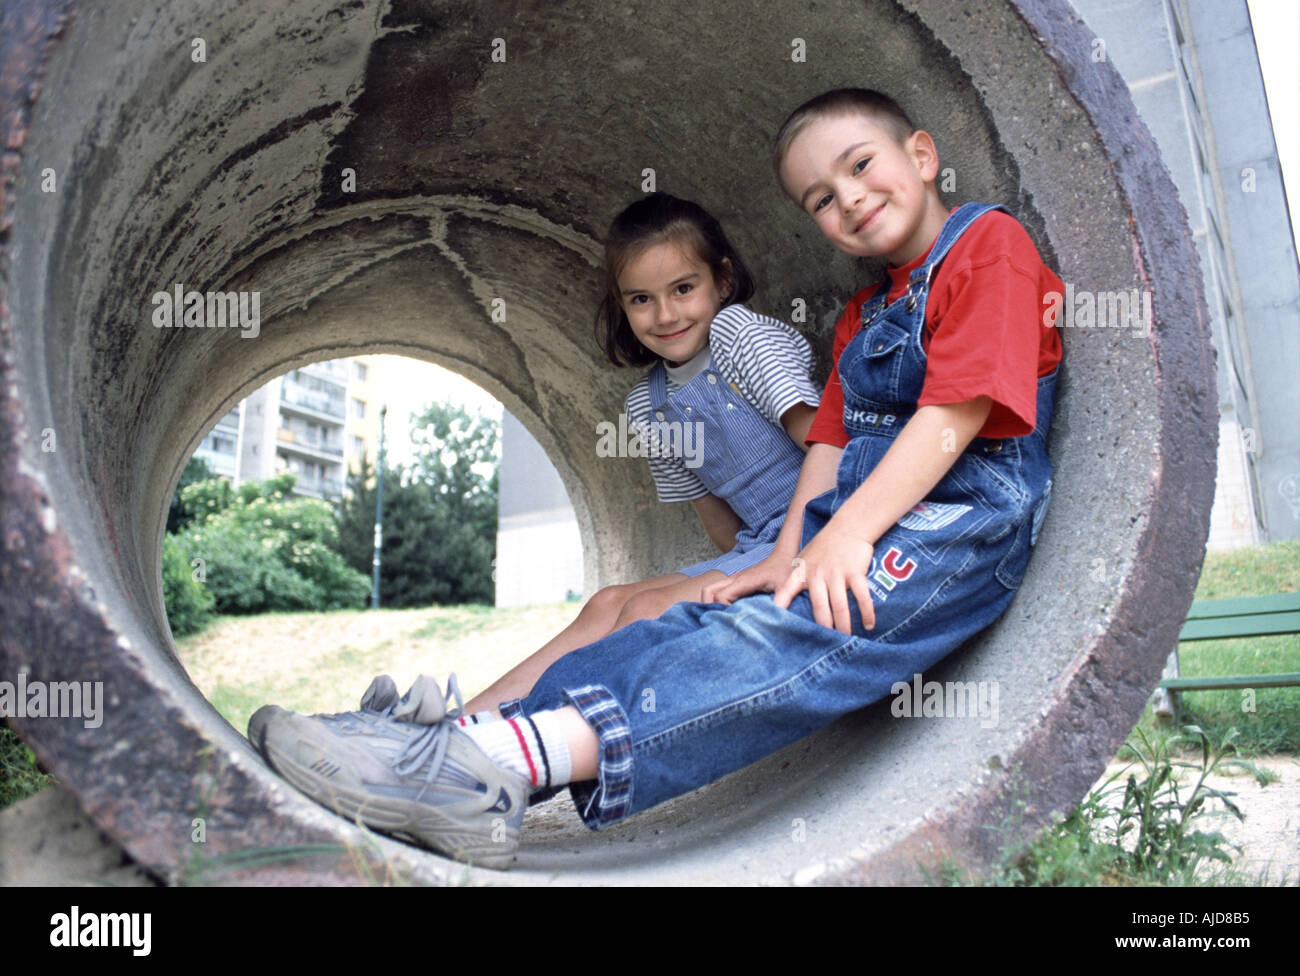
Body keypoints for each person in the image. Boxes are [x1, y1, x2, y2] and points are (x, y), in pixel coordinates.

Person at [250, 88, 1063, 872]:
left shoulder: (989, 244)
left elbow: (955, 414)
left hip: (955, 529)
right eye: (819, 197)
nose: (847, 199)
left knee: (782, 633)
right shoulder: (863, 314)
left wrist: (842, 535)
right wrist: (786, 551)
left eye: (860, 166)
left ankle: (477, 764)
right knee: (678, 626)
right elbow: (833, 442)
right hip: (854, 521)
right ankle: (452, 756)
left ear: (921, 155)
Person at [462, 192, 820, 714]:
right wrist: (724, 571)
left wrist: (782, 559)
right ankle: (458, 722)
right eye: (641, 299)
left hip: (821, 518)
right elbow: (720, 525)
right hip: (758, 541)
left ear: (721, 280)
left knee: (647, 610)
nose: (665, 314)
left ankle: (520, 734)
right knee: (608, 602)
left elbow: (828, 446)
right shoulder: (648, 407)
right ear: (622, 305)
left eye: (683, 288)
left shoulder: (739, 336)